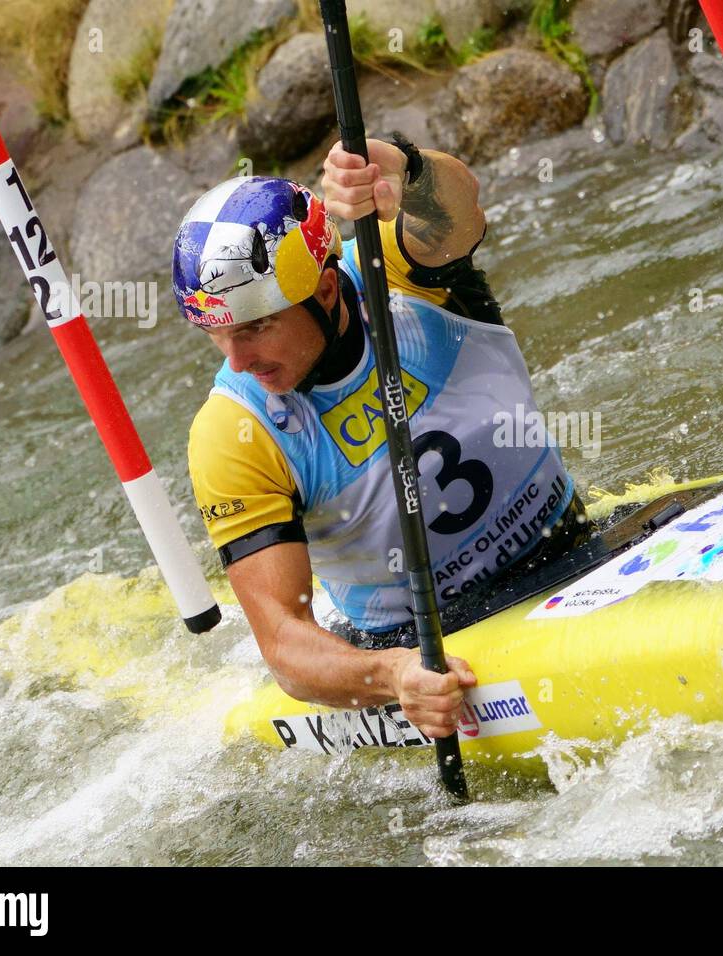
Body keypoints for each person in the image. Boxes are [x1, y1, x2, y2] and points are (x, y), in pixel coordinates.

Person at [177, 135, 591, 741]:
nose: (238, 360)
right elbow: (284, 642)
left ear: (322, 291)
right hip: (424, 643)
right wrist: (394, 675)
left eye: (257, 327)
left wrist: (406, 167)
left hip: (569, 547)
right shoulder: (235, 434)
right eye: (218, 334)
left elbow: (460, 211)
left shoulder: (391, 271)